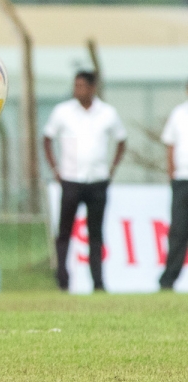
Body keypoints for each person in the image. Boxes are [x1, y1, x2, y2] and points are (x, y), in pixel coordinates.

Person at [44, 71, 127, 292]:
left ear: (92, 88)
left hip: (98, 180)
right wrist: (55, 169)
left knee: (96, 234)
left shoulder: (107, 113)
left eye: (82, 86)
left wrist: (111, 169)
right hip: (71, 179)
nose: (77, 90)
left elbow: (121, 139)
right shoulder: (63, 112)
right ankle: (63, 280)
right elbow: (47, 138)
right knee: (64, 232)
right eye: (76, 85)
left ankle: (98, 283)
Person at [158, 81, 188, 290]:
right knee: (178, 231)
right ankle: (168, 279)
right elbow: (170, 145)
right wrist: (171, 174)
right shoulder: (178, 114)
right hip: (182, 179)